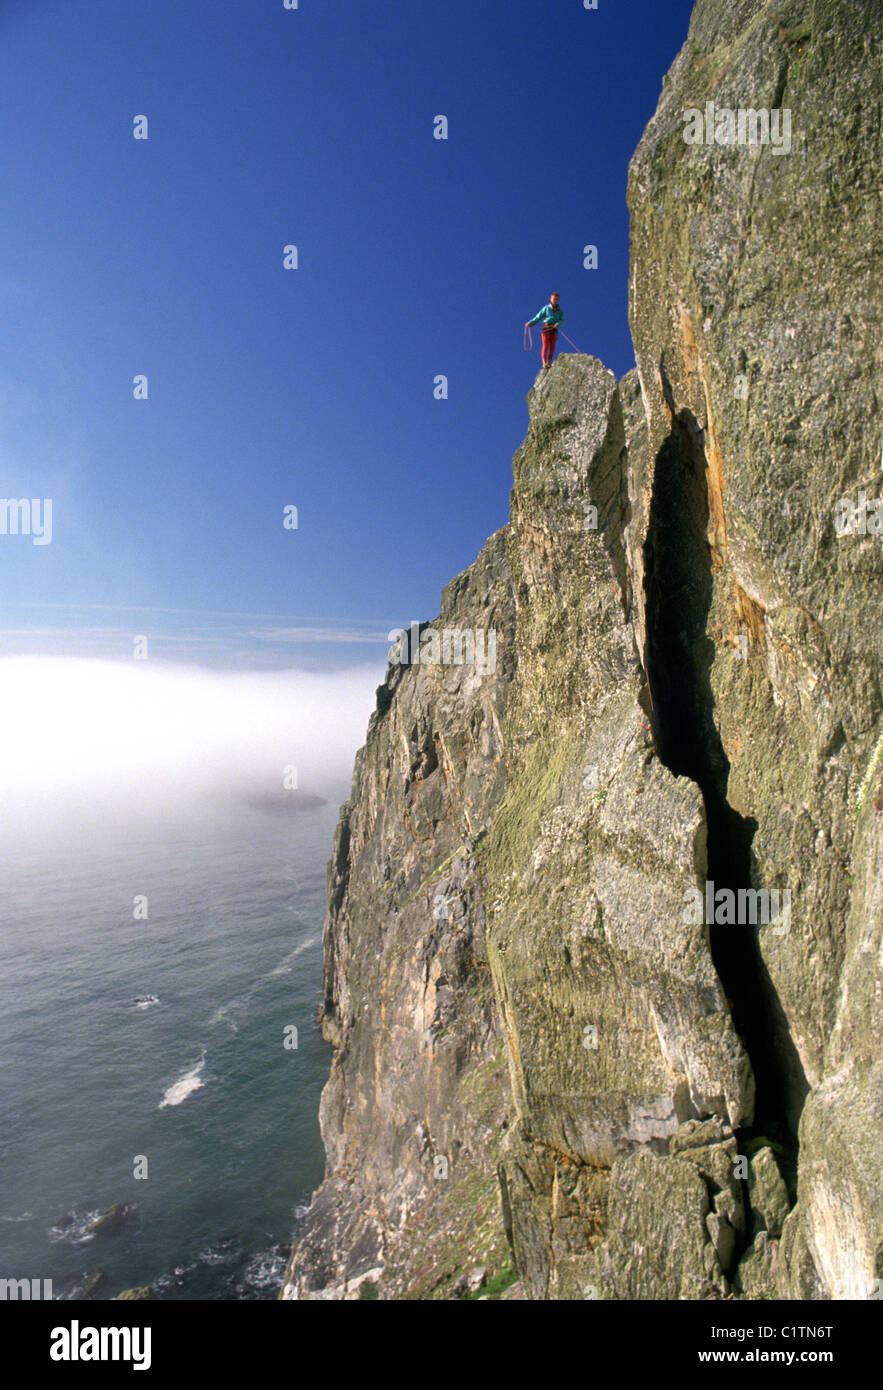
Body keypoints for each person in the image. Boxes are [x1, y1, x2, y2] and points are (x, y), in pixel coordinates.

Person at [526, 293, 565, 368]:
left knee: (552, 346)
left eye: (556, 299)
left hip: (554, 328)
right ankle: (544, 362)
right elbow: (538, 317)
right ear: (551, 299)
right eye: (554, 299)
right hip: (546, 327)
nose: (555, 300)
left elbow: (563, 320)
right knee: (546, 344)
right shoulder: (546, 308)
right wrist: (530, 323)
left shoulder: (560, 311)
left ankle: (549, 362)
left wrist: (558, 324)